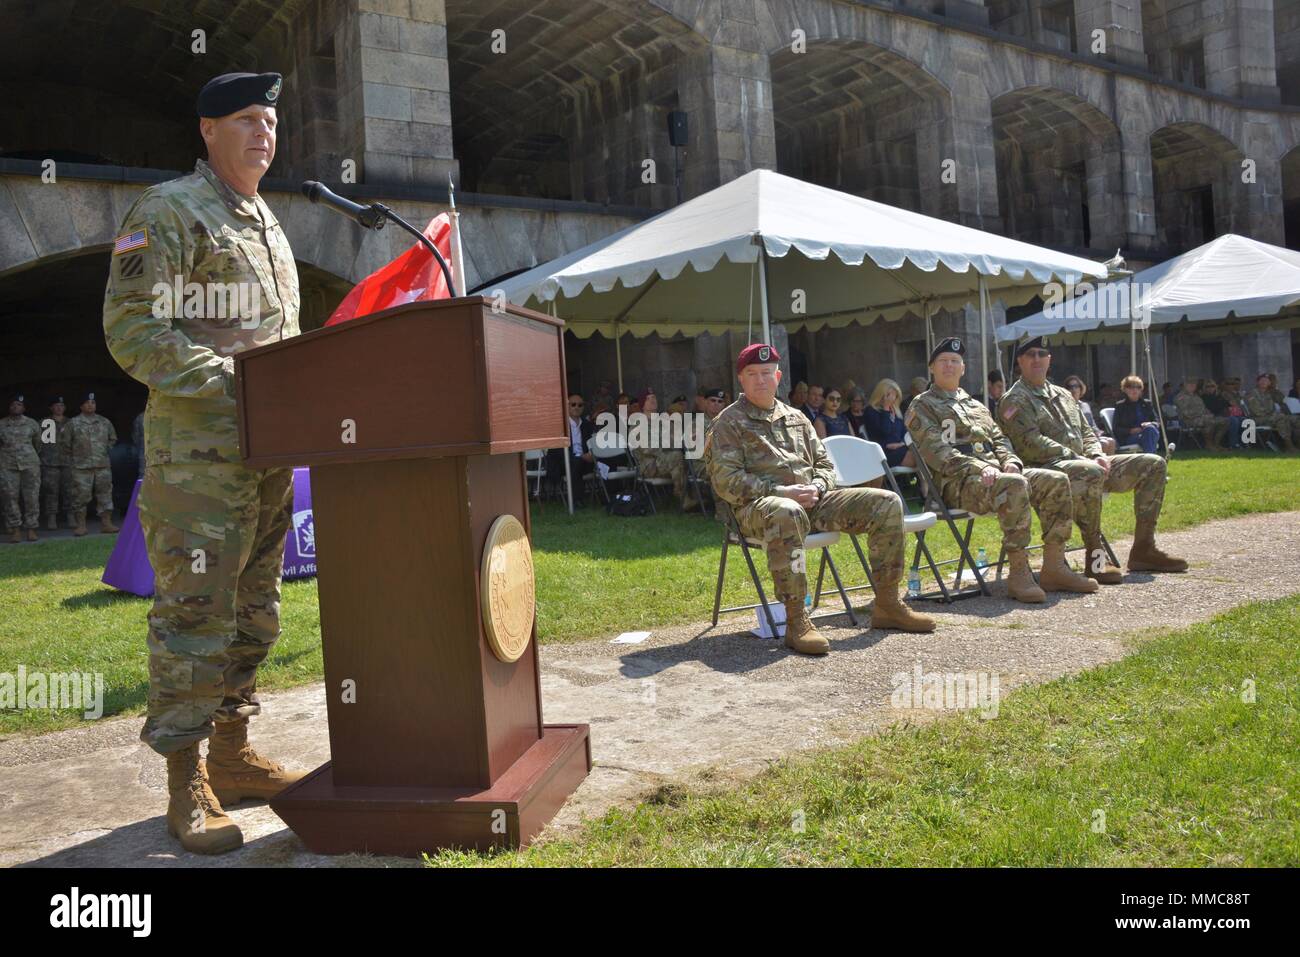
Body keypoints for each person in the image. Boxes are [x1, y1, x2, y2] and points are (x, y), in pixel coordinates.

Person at [102, 71, 306, 855]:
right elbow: (134, 331)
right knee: (195, 615)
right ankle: (185, 780)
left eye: (272, 121)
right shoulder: (167, 211)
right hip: (200, 461)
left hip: (270, 454)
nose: (264, 133)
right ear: (207, 131)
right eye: (247, 120)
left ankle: (232, 752)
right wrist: (238, 385)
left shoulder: (268, 224)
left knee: (255, 610)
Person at [707, 343, 934, 656]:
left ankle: (887, 603)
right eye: (753, 374)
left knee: (886, 502)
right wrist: (781, 492)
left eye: (767, 373)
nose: (761, 379)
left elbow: (826, 465)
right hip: (757, 509)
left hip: (812, 501)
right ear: (741, 380)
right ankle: (796, 618)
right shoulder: (727, 423)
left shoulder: (796, 417)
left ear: (778, 376)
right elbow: (726, 481)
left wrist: (817, 486)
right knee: (786, 512)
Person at [906, 337, 1094, 603]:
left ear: (963, 369)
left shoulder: (975, 404)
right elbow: (940, 454)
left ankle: (1055, 566)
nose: (949, 366)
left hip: (996, 475)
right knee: (1013, 485)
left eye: (955, 362)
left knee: (1055, 479)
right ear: (932, 368)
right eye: (943, 361)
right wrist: (981, 466)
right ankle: (1019, 573)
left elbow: (999, 438)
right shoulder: (921, 406)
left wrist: (1010, 461)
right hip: (956, 484)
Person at [998, 338, 1186, 585]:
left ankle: (1144, 549)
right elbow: (1030, 442)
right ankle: (1095, 557)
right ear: (1020, 361)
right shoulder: (1014, 399)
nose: (1036, 359)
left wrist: (1097, 453)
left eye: (1041, 354)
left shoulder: (1063, 394)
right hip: (1045, 470)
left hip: (1086, 463)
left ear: (1049, 359)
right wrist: (1080, 458)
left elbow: (1087, 431)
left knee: (1153, 464)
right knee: (1089, 472)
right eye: (1030, 355)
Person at [59, 393, 118, 536]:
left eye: (93, 402)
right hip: (81, 467)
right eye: (87, 402)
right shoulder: (73, 423)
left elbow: (113, 438)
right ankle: (81, 525)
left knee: (105, 494)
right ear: (81, 406)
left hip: (102, 465)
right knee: (80, 496)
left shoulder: (104, 422)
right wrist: (76, 456)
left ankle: (106, 523)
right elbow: (65, 444)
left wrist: (103, 450)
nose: (90, 405)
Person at [632, 389, 697, 511]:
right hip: (650, 465)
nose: (652, 400)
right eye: (648, 398)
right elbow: (648, 449)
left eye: (654, 397)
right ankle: (683, 496)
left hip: (668, 460)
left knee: (692, 457)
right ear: (642, 404)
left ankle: (696, 495)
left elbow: (678, 439)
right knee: (677, 456)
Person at [1, 394, 42, 543]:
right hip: (8, 465)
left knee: (31, 497)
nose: (15, 407)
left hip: (30, 464)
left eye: (18, 405)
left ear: (24, 408)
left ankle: (31, 529)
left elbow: (38, 444)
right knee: (10, 498)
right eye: (12, 405)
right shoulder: (2, 424)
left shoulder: (32, 424)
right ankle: (15, 530)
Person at [863, 378, 916, 469]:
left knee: (922, 454)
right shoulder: (871, 411)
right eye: (889, 395)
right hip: (884, 453)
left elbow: (904, 433)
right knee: (917, 458)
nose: (892, 399)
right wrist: (886, 408)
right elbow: (885, 431)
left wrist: (902, 444)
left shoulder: (896, 413)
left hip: (901, 449)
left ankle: (925, 483)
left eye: (895, 396)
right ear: (881, 395)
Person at [38, 396, 72, 531]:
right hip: (50, 463)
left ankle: (71, 515)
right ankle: (52, 518)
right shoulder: (44, 423)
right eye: (56, 406)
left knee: (69, 491)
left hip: (68, 462)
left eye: (61, 406)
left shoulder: (71, 423)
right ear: (51, 408)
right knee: (51, 491)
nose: (59, 408)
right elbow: (37, 442)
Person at [1062, 375, 1116, 454]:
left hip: (1092, 436)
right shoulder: (1064, 406)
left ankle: (1110, 466)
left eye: (1076, 386)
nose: (1073, 389)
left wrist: (1098, 432)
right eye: (1070, 387)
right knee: (1104, 443)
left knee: (1111, 441)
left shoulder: (1085, 406)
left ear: (1081, 389)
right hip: (1078, 439)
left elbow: (1092, 424)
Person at [1244, 373, 1297, 451]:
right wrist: (1274, 414)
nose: (1264, 382)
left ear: (1269, 383)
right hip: (1256, 419)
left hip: (1270, 418)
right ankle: (1289, 446)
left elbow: (1276, 406)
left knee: (1294, 419)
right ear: (1257, 382)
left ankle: (1296, 444)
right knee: (1280, 418)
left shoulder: (1268, 394)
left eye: (1266, 381)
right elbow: (1257, 412)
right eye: (1262, 380)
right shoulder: (1252, 393)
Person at [1173, 378, 1228, 450]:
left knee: (1225, 421)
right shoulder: (1180, 397)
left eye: (1194, 384)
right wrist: (1203, 415)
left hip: (1202, 418)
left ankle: (1216, 444)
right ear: (1185, 385)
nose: (1192, 385)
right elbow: (1186, 413)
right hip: (1189, 421)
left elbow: (1204, 409)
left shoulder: (1197, 396)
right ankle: (1209, 445)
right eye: (1189, 384)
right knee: (1208, 422)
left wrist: (1209, 414)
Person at [1112, 375, 1162, 454]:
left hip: (1147, 432)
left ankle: (1148, 461)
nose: (1134, 390)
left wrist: (1150, 423)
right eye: (1130, 387)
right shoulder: (1120, 406)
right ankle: (1151, 460)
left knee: (1150, 430)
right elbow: (1116, 428)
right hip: (1129, 437)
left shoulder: (1147, 404)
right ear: (1124, 389)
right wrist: (1131, 431)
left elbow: (1157, 422)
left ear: (1141, 390)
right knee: (1151, 434)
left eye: (1138, 387)